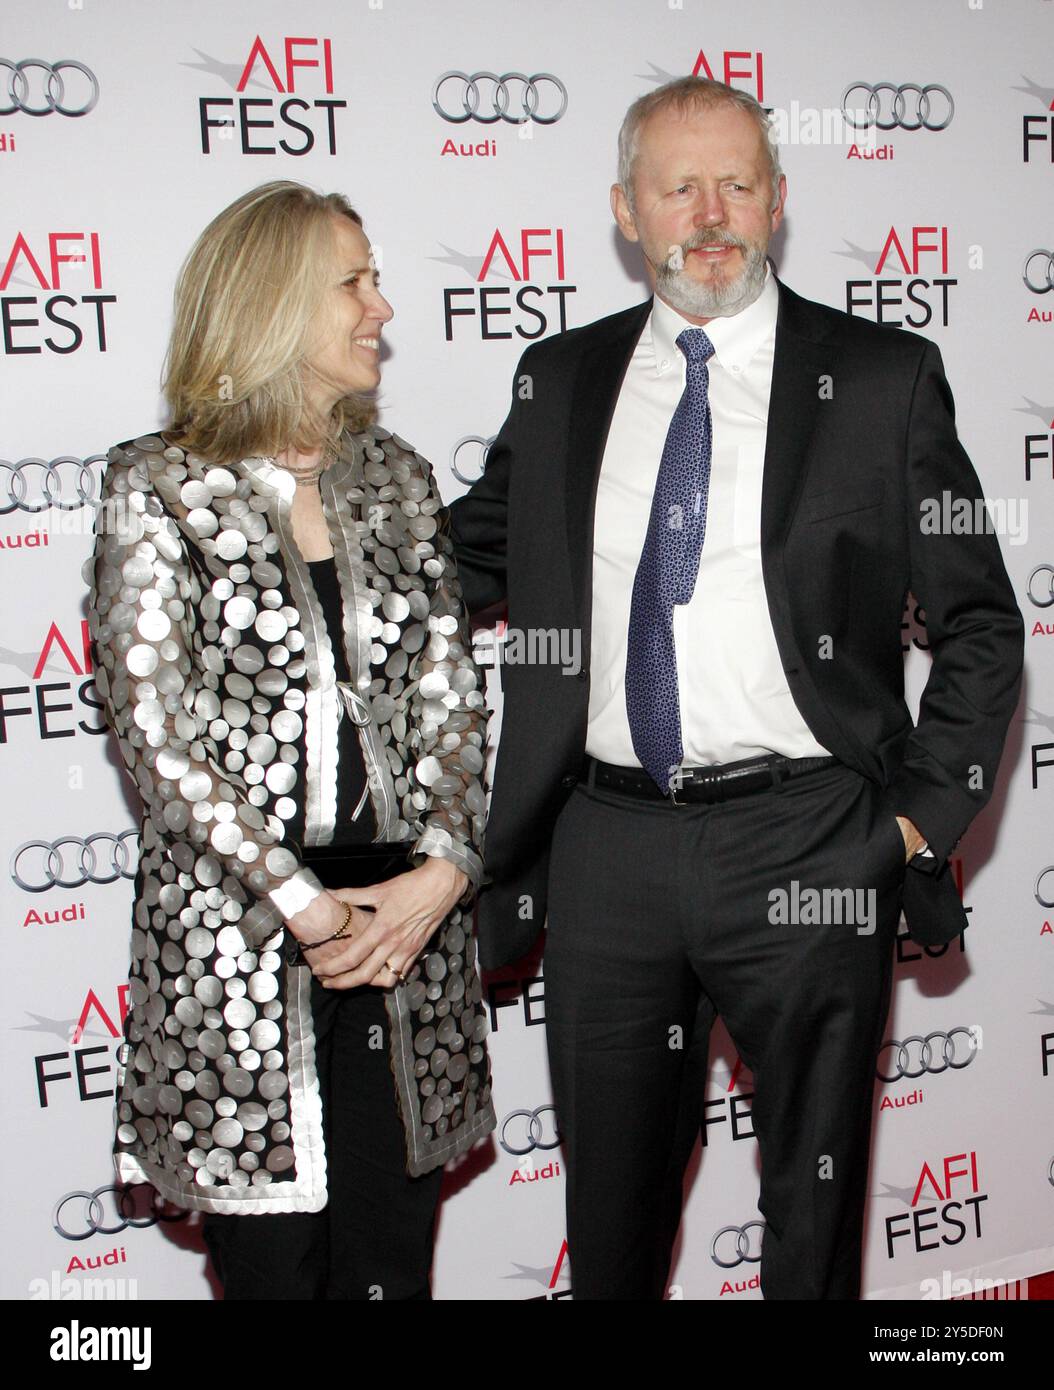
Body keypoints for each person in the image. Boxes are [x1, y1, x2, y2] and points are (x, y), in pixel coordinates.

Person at [448, 77, 1024, 1299]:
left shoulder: (880, 380)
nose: (708, 214)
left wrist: (913, 823)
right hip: (603, 850)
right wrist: (278, 527)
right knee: (610, 1227)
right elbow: (459, 554)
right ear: (624, 209)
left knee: (809, 1232)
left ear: (777, 200)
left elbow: (978, 622)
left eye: (737, 184)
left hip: (812, 838)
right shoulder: (561, 381)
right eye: (677, 187)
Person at [86, 179, 495, 1300]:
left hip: (407, 942)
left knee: (387, 1268)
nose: (382, 307)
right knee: (274, 1271)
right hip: (241, 939)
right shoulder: (157, 487)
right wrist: (303, 907)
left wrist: (441, 873)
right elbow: (156, 733)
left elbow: (453, 700)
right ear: (270, 305)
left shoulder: (399, 479)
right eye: (353, 284)